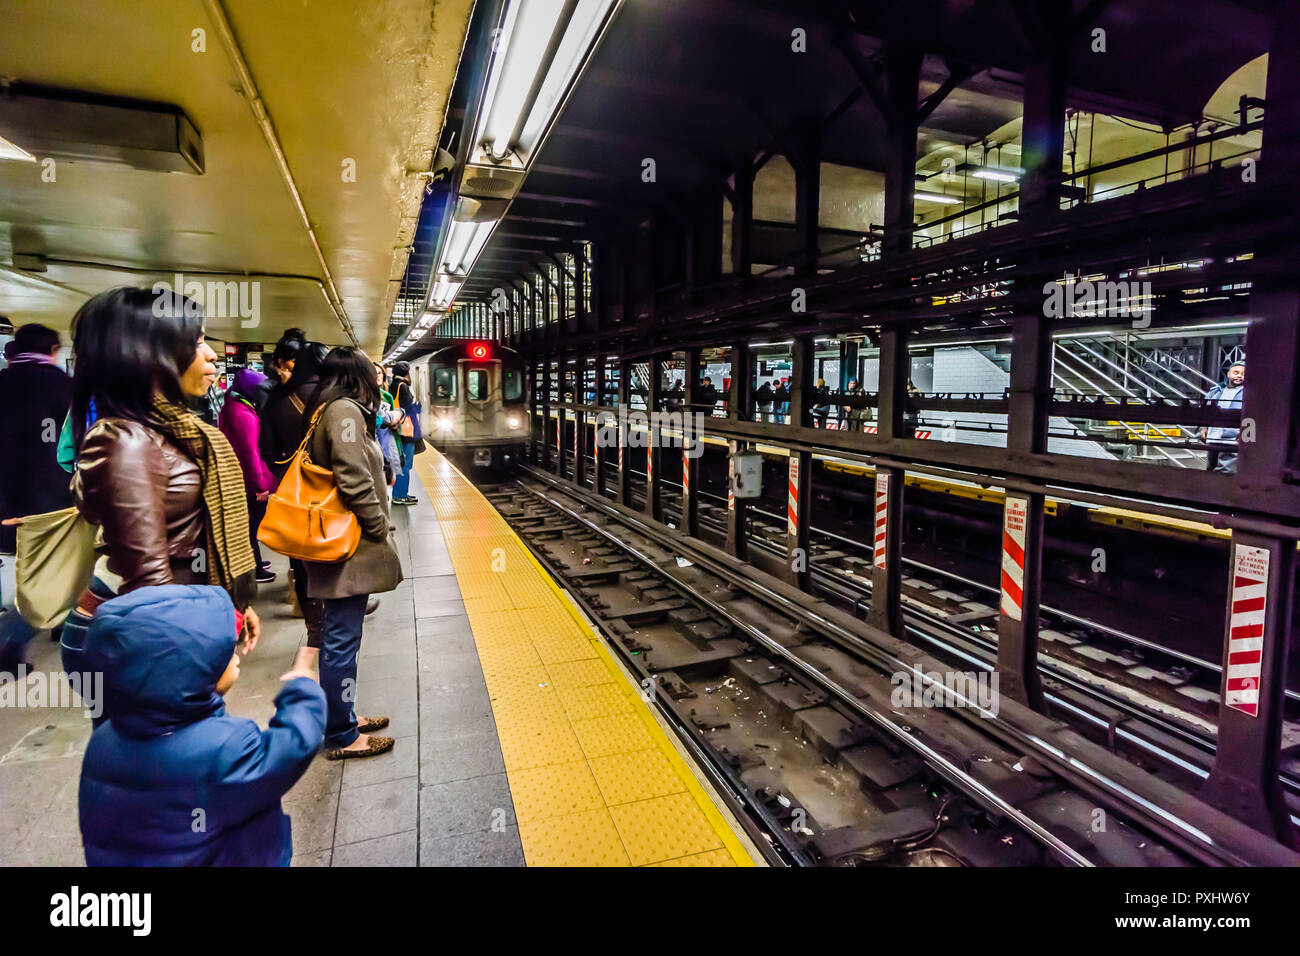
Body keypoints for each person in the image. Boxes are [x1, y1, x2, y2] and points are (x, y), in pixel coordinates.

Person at [59, 286, 262, 683]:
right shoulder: (125, 442)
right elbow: (148, 583)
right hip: (146, 637)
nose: (211, 354)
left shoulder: (169, 431)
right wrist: (195, 653)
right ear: (149, 354)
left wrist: (233, 606)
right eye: (197, 342)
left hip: (165, 624)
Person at [79, 584, 325, 866]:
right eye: (220, 655)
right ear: (184, 673)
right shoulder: (224, 748)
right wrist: (302, 691)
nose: (234, 658)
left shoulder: (102, 741)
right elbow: (292, 747)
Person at [301, 347, 403, 760]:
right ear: (356, 374)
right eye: (371, 372)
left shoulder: (332, 408)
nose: (378, 377)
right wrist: (377, 525)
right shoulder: (344, 411)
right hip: (347, 544)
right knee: (342, 638)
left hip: (341, 540)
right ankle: (342, 735)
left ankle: (342, 716)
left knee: (341, 635)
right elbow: (353, 476)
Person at [0, 323, 74, 672]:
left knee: (38, 567)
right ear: (53, 351)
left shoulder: (2, 382)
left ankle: (61, 622)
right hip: (52, 498)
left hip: (8, 497)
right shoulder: (61, 385)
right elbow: (78, 442)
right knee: (50, 572)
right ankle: (8, 643)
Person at [219, 368, 278, 584]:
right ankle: (254, 570)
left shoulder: (235, 407)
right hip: (250, 482)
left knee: (250, 525)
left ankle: (257, 562)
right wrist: (259, 485)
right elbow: (249, 453)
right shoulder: (242, 414)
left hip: (244, 480)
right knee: (251, 527)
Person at [1199, 361, 1245, 474]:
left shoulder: (1249, 393)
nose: (1240, 375)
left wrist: (1247, 437)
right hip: (1213, 438)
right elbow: (1205, 412)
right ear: (1228, 374)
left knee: (1226, 473)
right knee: (1210, 470)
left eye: (1243, 374)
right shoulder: (1215, 391)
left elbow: (1253, 415)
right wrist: (1203, 428)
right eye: (1236, 372)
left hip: (1233, 441)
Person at [389, 361, 419, 505]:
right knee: (404, 463)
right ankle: (400, 495)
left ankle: (400, 493)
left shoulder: (393, 385)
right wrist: (417, 408)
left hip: (398, 429)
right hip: (405, 430)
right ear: (406, 372)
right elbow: (408, 408)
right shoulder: (403, 387)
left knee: (402, 462)